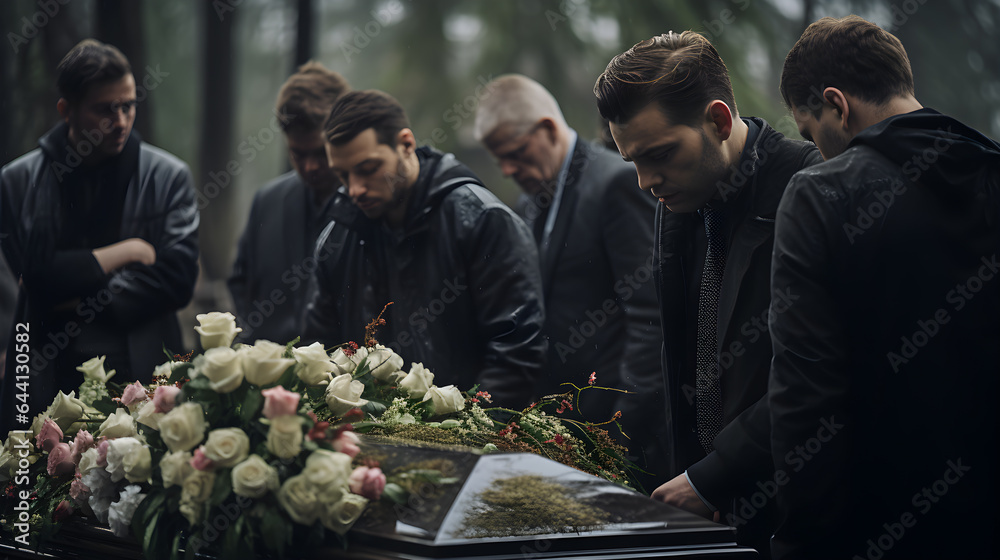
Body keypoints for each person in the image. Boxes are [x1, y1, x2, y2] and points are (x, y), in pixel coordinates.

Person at [769, 16, 1000, 559]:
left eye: (811, 132)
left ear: (837, 104)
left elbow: (807, 399)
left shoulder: (820, 196)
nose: (817, 150)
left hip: (878, 529)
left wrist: (801, 540)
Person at [593, 31, 822, 555]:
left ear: (718, 121)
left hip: (800, 517)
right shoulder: (679, 200)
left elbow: (819, 375)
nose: (645, 181)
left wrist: (717, 474)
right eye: (632, 161)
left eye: (660, 154)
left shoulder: (811, 190)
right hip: (715, 514)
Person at [0, 39, 199, 433]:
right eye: (105, 109)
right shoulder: (16, 183)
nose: (121, 120)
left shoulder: (168, 177)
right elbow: (35, 280)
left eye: (128, 105)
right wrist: (126, 254)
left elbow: (177, 279)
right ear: (66, 110)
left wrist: (73, 292)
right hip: (46, 375)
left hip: (144, 371)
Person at [473, 74, 663, 484]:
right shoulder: (529, 202)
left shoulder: (614, 183)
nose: (506, 169)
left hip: (616, 437)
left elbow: (650, 317)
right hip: (559, 436)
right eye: (498, 157)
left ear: (546, 128)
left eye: (516, 153)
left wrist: (622, 431)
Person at [303, 90, 546, 407]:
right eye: (342, 175)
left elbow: (517, 353)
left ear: (405, 144)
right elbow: (319, 354)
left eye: (367, 168)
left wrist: (466, 434)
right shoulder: (336, 239)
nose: (355, 189)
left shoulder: (483, 221)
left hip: (468, 443)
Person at [229, 61, 349, 344]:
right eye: (297, 154)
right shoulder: (267, 200)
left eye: (321, 153)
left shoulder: (371, 204)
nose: (310, 167)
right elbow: (240, 281)